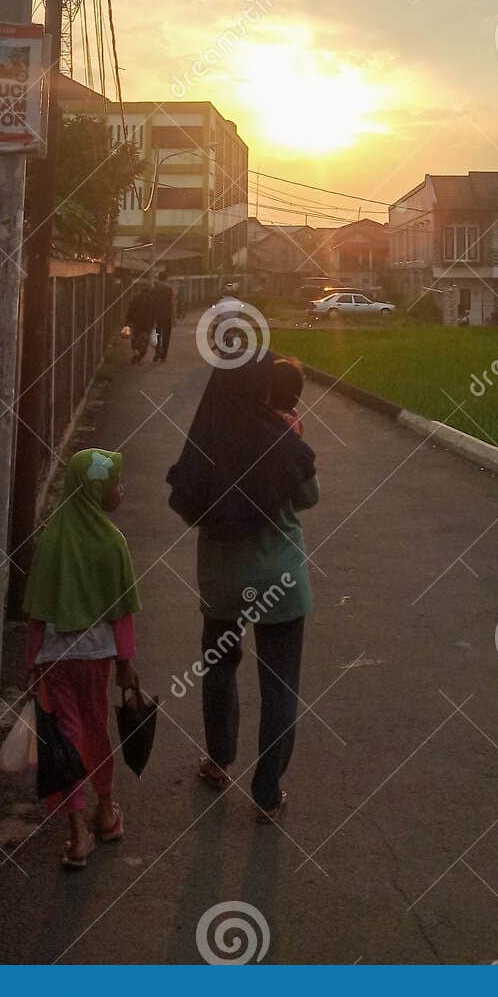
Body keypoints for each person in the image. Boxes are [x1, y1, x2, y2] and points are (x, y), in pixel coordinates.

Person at [166, 350, 318, 823]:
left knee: (218, 668)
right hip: (281, 583)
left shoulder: (207, 438)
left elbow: (187, 501)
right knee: (279, 685)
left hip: (223, 583)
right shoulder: (281, 439)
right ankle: (268, 792)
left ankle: (217, 759)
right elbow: (308, 497)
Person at [23, 448, 141, 869]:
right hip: (97, 657)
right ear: (97, 492)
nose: (121, 490)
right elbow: (122, 613)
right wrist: (126, 664)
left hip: (55, 657)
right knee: (96, 730)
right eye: (114, 484)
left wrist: (31, 660)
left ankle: (77, 834)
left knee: (65, 737)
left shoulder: (53, 539)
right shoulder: (113, 543)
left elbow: (37, 608)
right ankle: (106, 811)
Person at [149, 269, 175, 363]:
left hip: (156, 315)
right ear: (166, 278)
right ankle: (163, 356)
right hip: (167, 315)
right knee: (166, 336)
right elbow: (172, 303)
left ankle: (157, 352)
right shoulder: (169, 289)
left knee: (157, 335)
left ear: (159, 278)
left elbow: (150, 303)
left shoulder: (154, 289)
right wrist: (174, 317)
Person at [125, 284, 154, 363]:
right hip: (147, 324)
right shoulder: (151, 299)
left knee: (135, 338)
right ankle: (140, 354)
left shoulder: (135, 298)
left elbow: (130, 310)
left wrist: (127, 321)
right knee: (145, 340)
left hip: (136, 322)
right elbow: (153, 312)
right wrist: (153, 323)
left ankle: (135, 354)